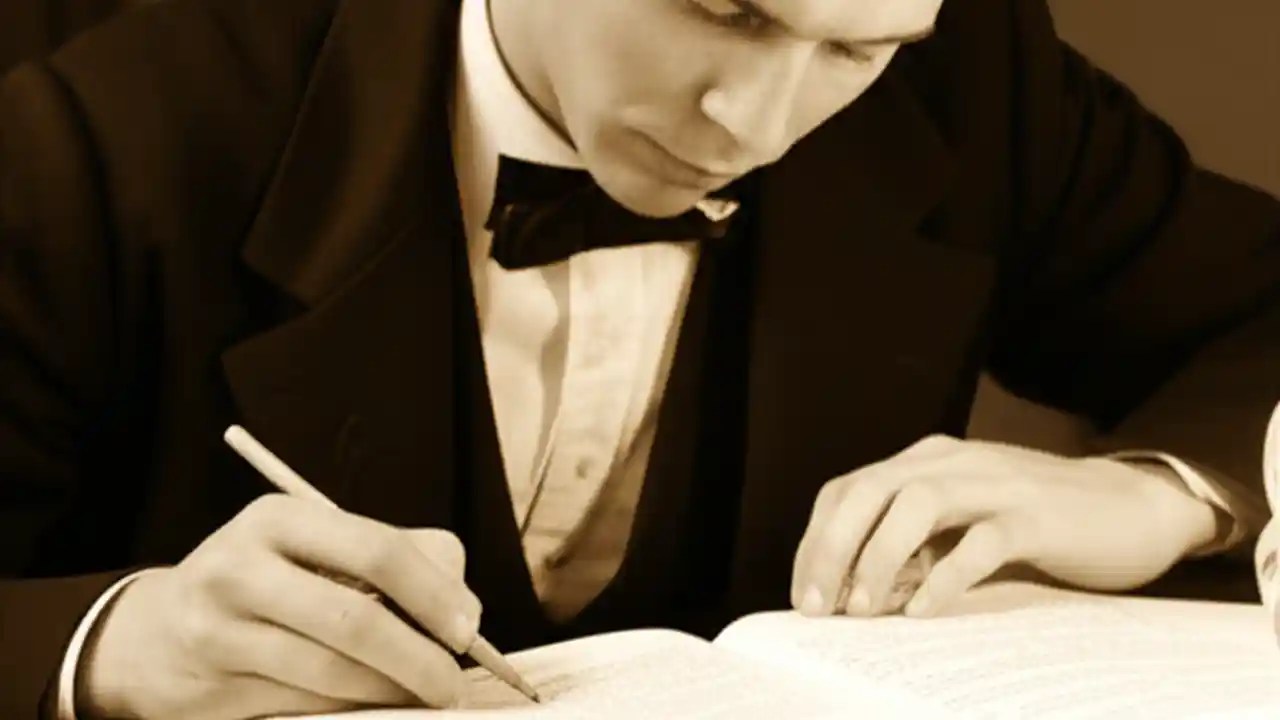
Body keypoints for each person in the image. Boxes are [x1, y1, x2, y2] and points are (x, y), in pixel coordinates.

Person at [0, 0, 1276, 717]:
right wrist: (109, 644)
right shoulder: (91, 140)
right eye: (718, 7)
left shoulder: (972, 79)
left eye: (852, 49)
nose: (757, 124)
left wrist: (1158, 488)